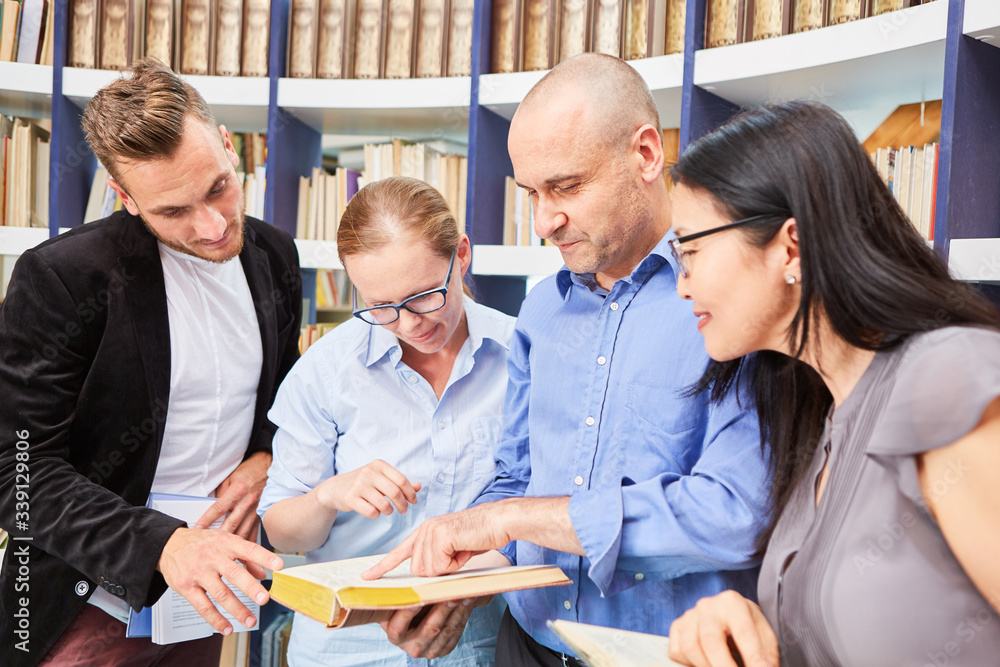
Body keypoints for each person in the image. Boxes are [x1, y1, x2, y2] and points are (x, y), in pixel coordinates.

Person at [365, 53, 771, 666]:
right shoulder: (540, 314)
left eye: (567, 187)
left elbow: (733, 516)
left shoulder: (730, 301)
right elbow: (516, 480)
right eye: (530, 192)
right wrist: (461, 580)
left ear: (645, 155)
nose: (544, 221)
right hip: (528, 645)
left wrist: (511, 518)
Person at [663, 101, 1000, 667]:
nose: (682, 285)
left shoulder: (948, 377)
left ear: (789, 246)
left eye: (691, 250)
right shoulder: (821, 420)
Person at [0, 59, 300, 666]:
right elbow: (18, 473)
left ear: (226, 145)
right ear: (126, 198)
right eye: (174, 211)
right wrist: (163, 546)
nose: (213, 225)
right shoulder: (63, 278)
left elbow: (286, 395)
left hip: (207, 594)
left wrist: (268, 453)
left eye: (218, 187)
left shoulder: (273, 253)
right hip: (82, 597)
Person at [259, 176, 513, 666]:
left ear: (461, 255)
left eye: (423, 296)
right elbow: (282, 532)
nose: (409, 322)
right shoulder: (325, 370)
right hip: (346, 650)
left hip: (482, 643)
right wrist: (327, 495)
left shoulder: (523, 356)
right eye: (380, 306)